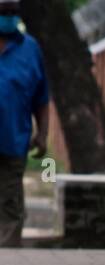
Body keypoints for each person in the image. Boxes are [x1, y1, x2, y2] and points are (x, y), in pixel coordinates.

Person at [0, 0, 47, 249]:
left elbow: (42, 97)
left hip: (13, 141)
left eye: (12, 12)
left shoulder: (30, 49)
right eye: (2, 11)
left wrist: (43, 135)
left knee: (10, 205)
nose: (7, 17)